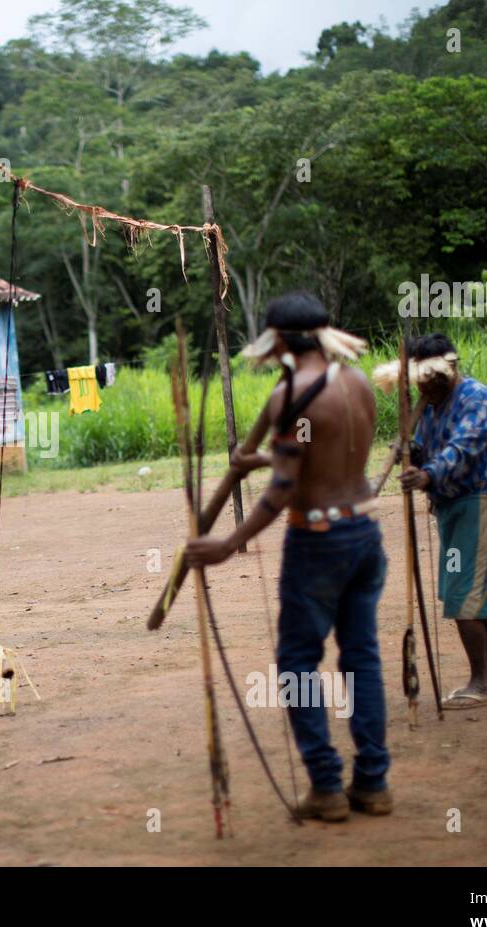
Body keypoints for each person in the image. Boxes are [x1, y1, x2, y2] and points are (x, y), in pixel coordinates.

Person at [184, 291, 391, 822]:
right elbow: (313, 452)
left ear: (276, 341)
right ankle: (372, 783)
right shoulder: (358, 383)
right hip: (364, 532)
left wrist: (227, 544)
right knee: (361, 657)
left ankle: (325, 786)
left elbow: (283, 487)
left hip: (318, 542)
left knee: (300, 663)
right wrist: (258, 458)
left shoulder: (292, 397)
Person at [399, 333, 487, 709]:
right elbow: (430, 449)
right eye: (419, 380)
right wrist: (412, 454)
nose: (424, 387)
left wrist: (426, 475)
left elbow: (464, 447)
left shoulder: (476, 397)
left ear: (449, 369)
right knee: (465, 592)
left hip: (475, 503)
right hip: (448, 508)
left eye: (430, 379)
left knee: (465, 595)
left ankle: (482, 682)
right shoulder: (428, 405)